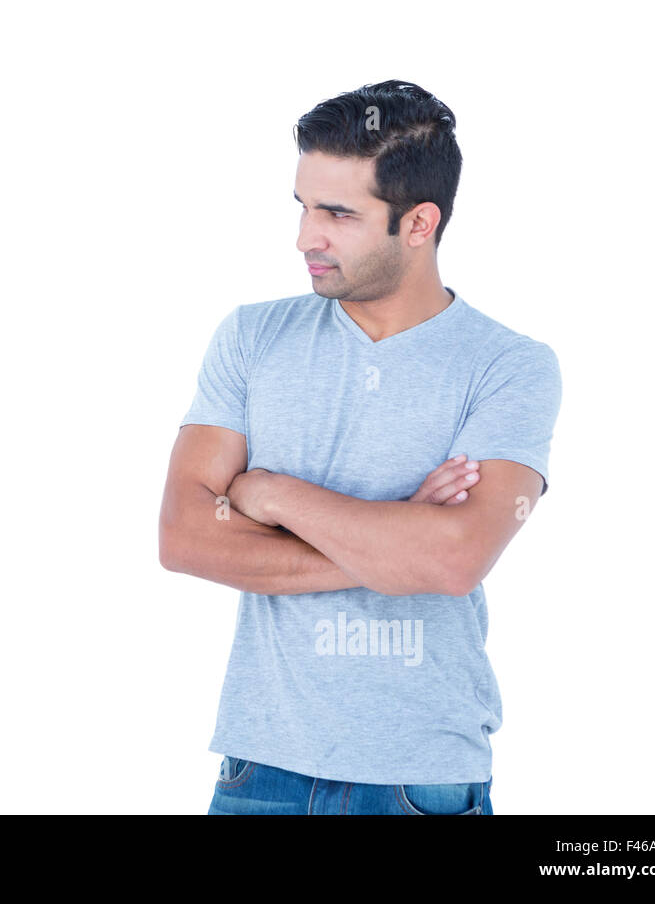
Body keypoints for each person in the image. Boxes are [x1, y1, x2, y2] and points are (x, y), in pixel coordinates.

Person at [159, 80, 562, 814]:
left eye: (338, 214)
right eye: (304, 207)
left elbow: (450, 561)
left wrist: (267, 492)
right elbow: (186, 538)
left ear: (419, 223)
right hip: (259, 775)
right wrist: (394, 537)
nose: (306, 237)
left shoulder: (510, 365)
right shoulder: (252, 337)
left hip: (420, 781)